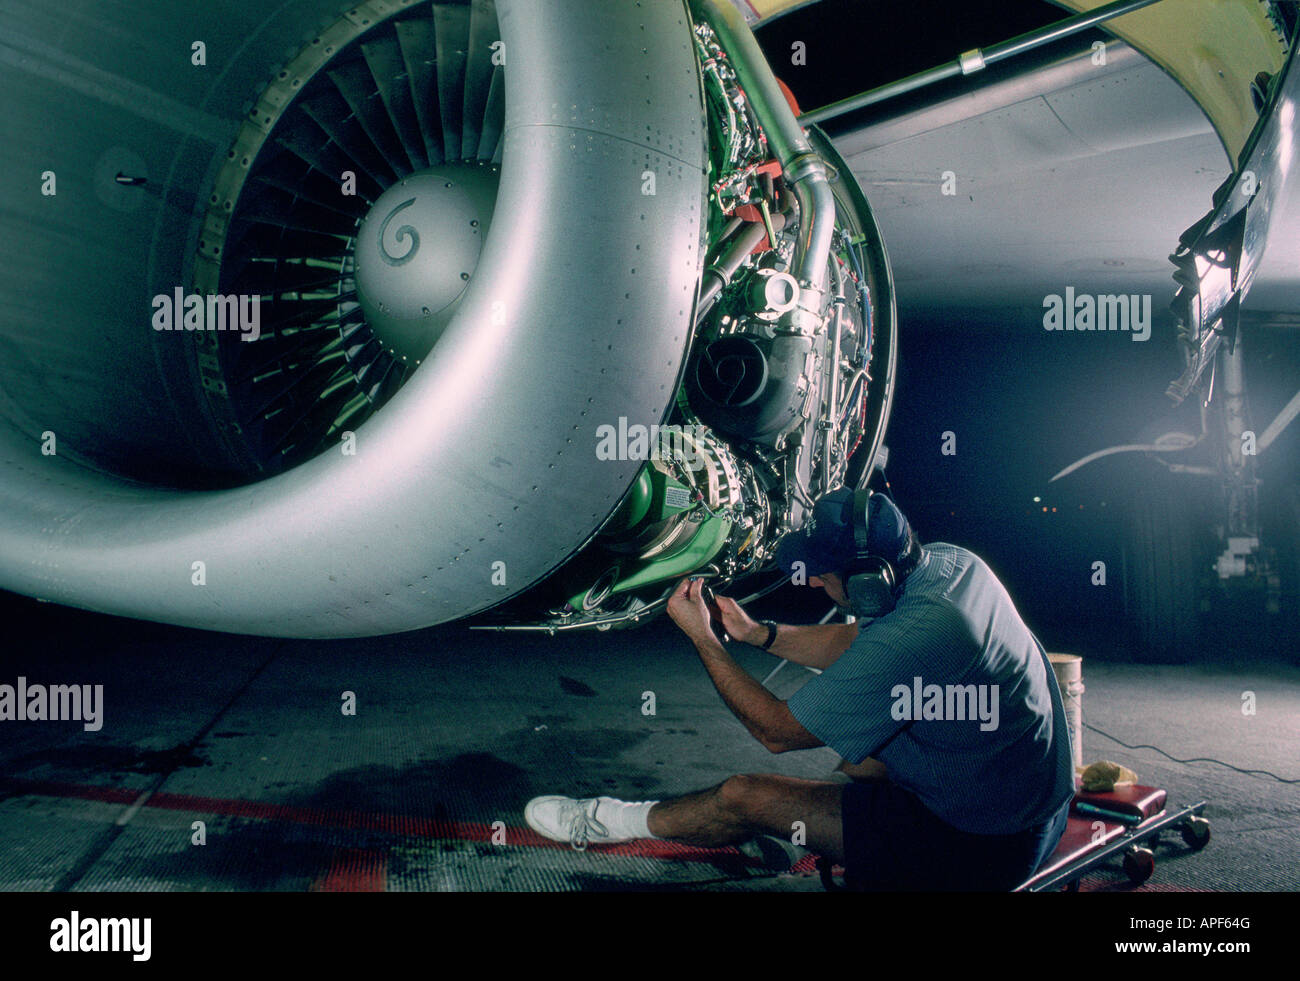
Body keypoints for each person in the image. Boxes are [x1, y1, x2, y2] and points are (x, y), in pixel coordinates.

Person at [523, 488, 1074, 890]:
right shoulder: (953, 567)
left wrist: (705, 642)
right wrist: (755, 634)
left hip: (983, 850)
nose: (810, 581)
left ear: (868, 579)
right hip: (1030, 804)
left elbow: (777, 732)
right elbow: (856, 643)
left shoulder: (920, 637)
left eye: (821, 572)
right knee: (858, 761)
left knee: (746, 793)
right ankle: (790, 830)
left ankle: (607, 821)